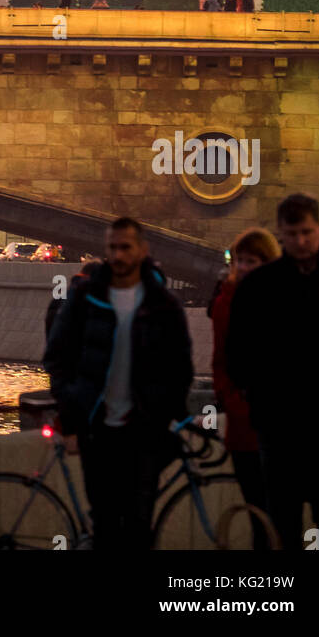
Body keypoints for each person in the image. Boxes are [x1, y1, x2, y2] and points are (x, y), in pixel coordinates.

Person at [43, 216, 193, 551]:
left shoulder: (163, 305)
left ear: (142, 250)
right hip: (98, 430)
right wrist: (71, 405)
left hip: (144, 431)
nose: (119, 255)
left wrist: (166, 411)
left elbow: (179, 367)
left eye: (126, 247)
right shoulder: (86, 298)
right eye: (112, 248)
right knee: (107, 527)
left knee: (139, 527)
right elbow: (57, 356)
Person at [226, 194, 319, 551]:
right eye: (293, 234)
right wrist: (256, 393)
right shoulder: (259, 286)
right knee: (284, 526)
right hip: (279, 429)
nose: (301, 241)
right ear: (281, 233)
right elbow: (237, 352)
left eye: (307, 232)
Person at [210, 226, 281, 548]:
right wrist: (235, 403)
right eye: (239, 260)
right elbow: (220, 363)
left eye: (251, 261)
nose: (243, 267)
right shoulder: (226, 302)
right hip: (246, 426)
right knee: (258, 513)